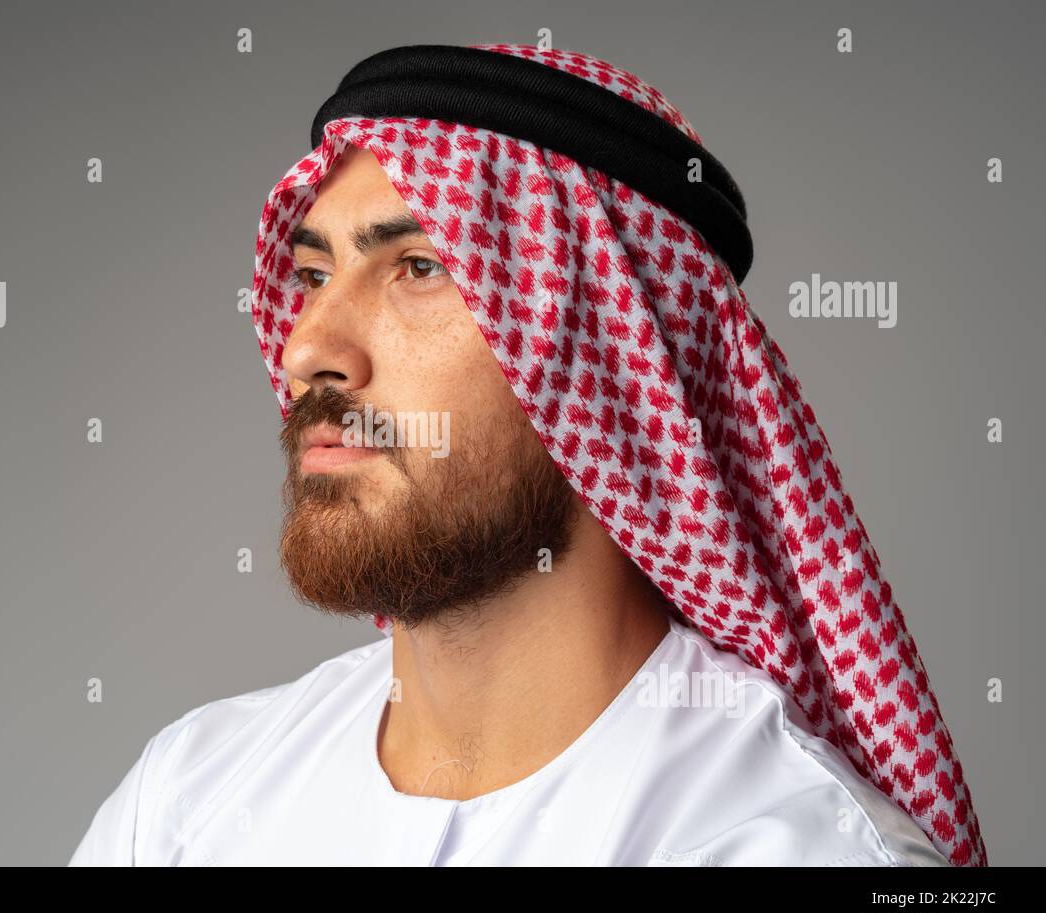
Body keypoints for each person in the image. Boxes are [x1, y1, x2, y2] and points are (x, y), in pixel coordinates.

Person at [69, 42, 985, 866]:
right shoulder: (188, 804)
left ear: (608, 362)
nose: (309, 347)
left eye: (419, 268)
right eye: (313, 274)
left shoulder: (794, 845)